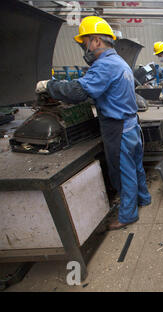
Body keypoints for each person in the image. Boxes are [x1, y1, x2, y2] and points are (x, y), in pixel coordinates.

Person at [35, 16, 151, 230]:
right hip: (131, 125)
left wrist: (50, 86)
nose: (84, 47)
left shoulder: (105, 65)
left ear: (96, 40)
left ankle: (127, 215)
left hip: (118, 129)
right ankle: (143, 198)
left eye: (85, 42)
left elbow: (79, 91)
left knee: (123, 172)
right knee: (135, 167)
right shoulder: (119, 62)